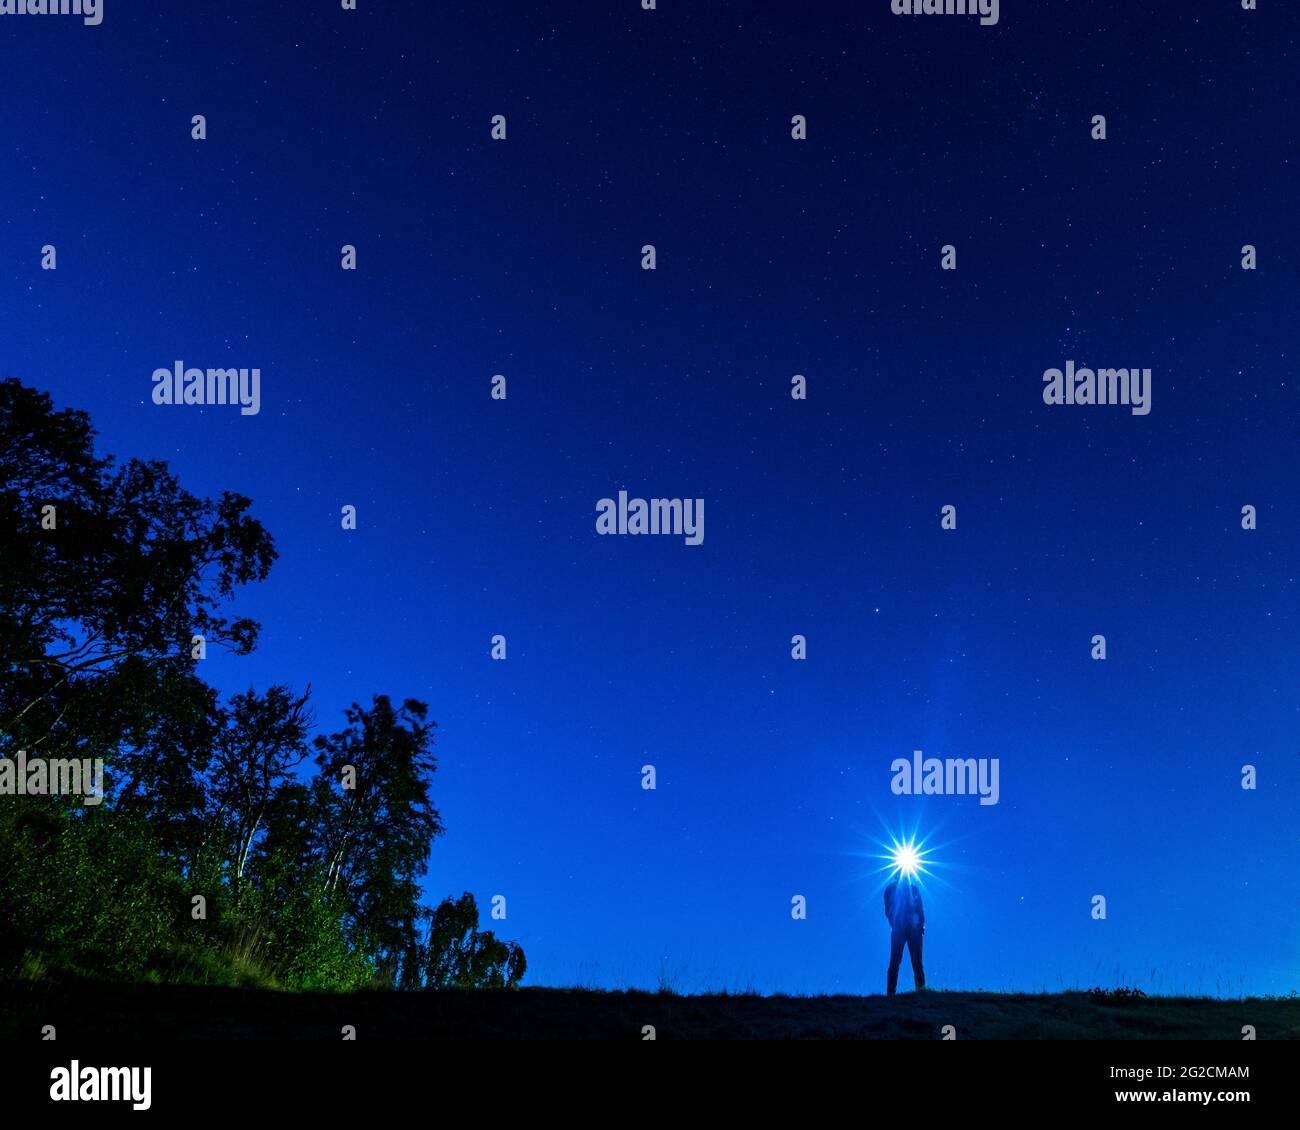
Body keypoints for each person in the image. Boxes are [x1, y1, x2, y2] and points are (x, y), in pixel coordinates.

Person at [884, 874, 926, 995]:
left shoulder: (914, 889)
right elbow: (888, 909)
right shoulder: (890, 889)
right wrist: (895, 922)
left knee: (917, 961)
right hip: (899, 929)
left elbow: (920, 910)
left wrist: (921, 925)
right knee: (895, 961)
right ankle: (891, 994)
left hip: (914, 929)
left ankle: (921, 992)